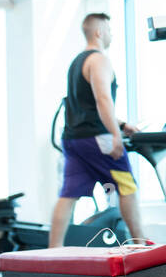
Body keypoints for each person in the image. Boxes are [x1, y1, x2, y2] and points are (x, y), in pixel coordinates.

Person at [49, 13, 145, 247]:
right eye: (110, 30)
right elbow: (103, 99)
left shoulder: (77, 62)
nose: (111, 35)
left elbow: (87, 104)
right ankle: (140, 244)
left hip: (73, 139)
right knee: (127, 186)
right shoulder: (99, 60)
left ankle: (53, 250)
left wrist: (122, 125)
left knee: (68, 195)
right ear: (99, 32)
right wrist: (115, 134)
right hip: (97, 137)